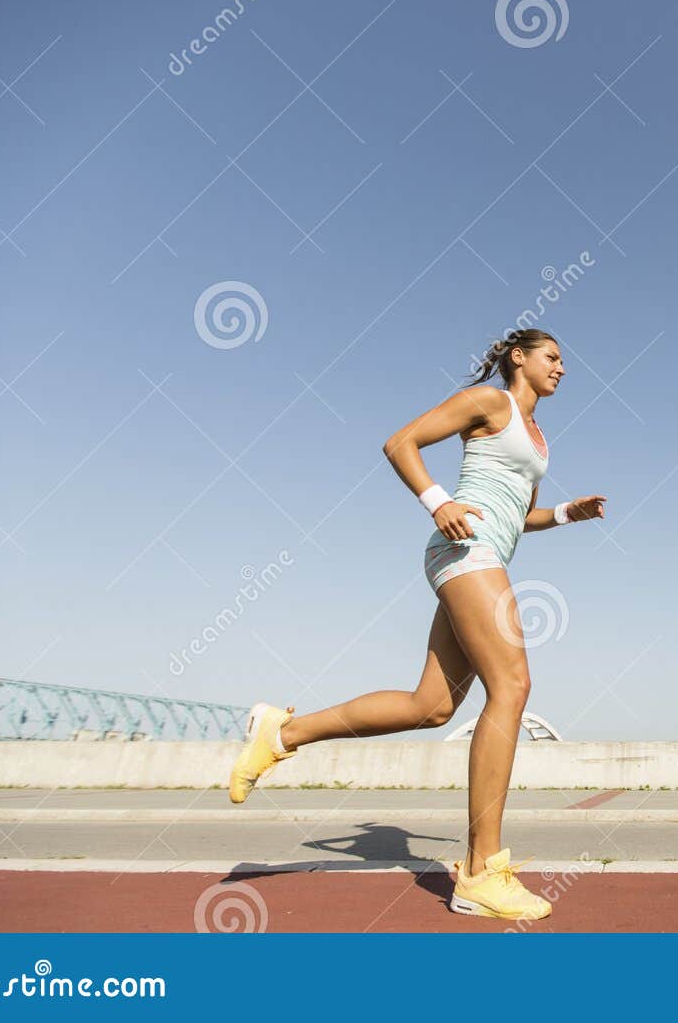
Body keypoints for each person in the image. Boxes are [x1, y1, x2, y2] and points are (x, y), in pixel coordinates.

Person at [226, 328, 606, 921]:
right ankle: (482, 871)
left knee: (431, 706)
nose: (562, 367)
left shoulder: (538, 437)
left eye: (564, 361)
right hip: (466, 552)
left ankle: (282, 733)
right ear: (519, 357)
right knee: (512, 687)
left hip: (483, 556)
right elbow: (401, 442)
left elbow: (515, 512)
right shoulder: (488, 401)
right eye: (552, 357)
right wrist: (439, 502)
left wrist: (563, 513)